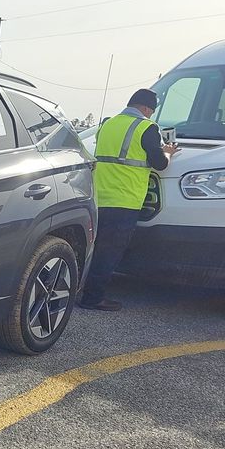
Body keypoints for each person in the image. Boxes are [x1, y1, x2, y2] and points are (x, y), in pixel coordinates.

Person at [79, 88, 177, 311]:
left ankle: (81, 290)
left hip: (99, 196)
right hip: (125, 199)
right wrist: (168, 152)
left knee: (94, 248)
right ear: (145, 108)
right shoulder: (147, 127)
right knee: (109, 252)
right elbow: (159, 164)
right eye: (151, 111)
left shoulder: (107, 124)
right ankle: (93, 298)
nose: (150, 115)